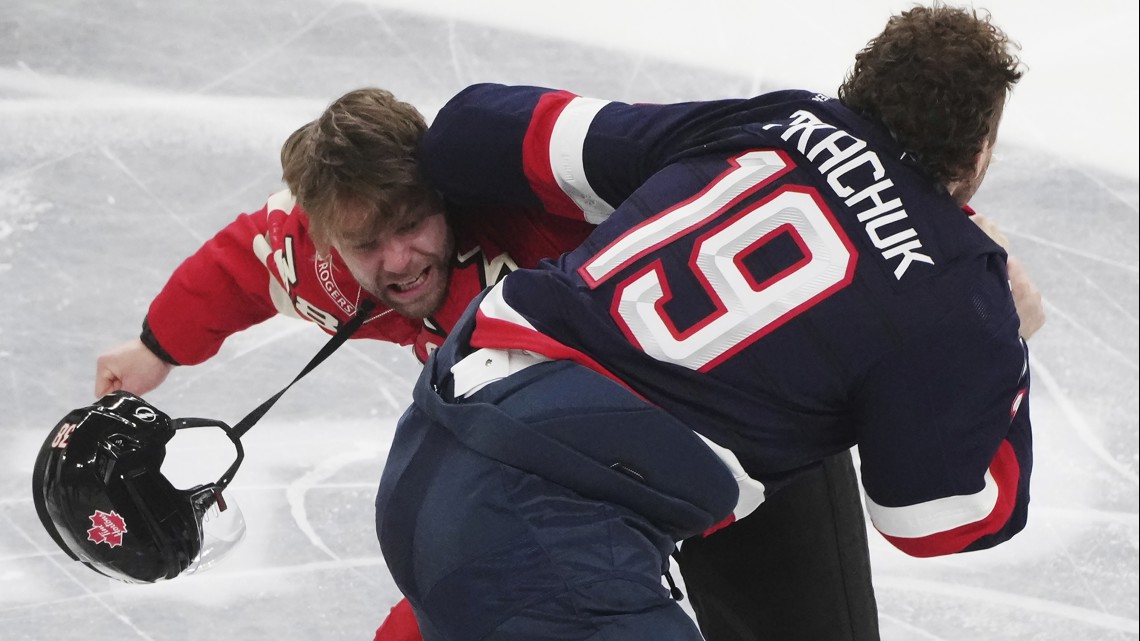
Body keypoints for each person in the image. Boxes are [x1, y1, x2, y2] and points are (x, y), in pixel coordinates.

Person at [93, 88, 902, 640]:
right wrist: (157, 348)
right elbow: (240, 266)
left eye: (412, 224)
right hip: (573, 458)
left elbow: (760, 177)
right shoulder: (321, 262)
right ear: (325, 239)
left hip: (737, 430)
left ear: (444, 191)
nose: (398, 261)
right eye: (365, 245)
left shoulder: (548, 212)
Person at [373, 4, 1037, 640]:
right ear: (977, 154)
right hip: (550, 529)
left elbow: (468, 131)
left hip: (430, 445)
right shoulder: (957, 280)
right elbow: (931, 520)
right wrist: (1011, 358)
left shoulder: (777, 121)